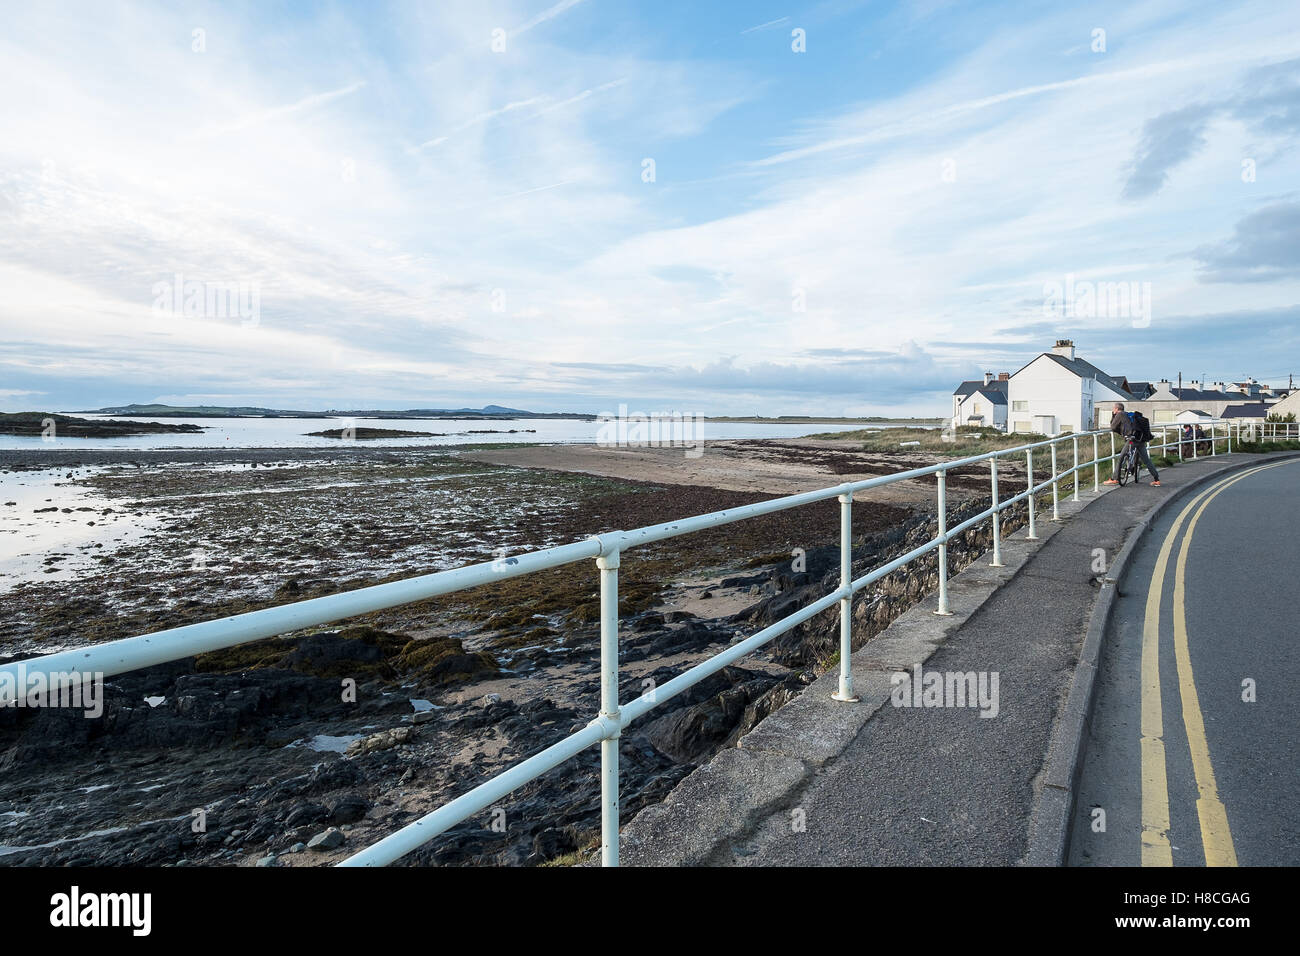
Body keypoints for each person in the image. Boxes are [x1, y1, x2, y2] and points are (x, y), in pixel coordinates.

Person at [1104, 402, 1161, 486]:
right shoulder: (1127, 414)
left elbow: (1113, 427)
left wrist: (1113, 416)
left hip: (1132, 439)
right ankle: (1156, 480)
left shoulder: (1120, 415)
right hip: (1140, 439)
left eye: (1114, 409)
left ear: (1116, 409)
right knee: (1146, 460)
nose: (1113, 410)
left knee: (1121, 458)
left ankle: (1114, 479)